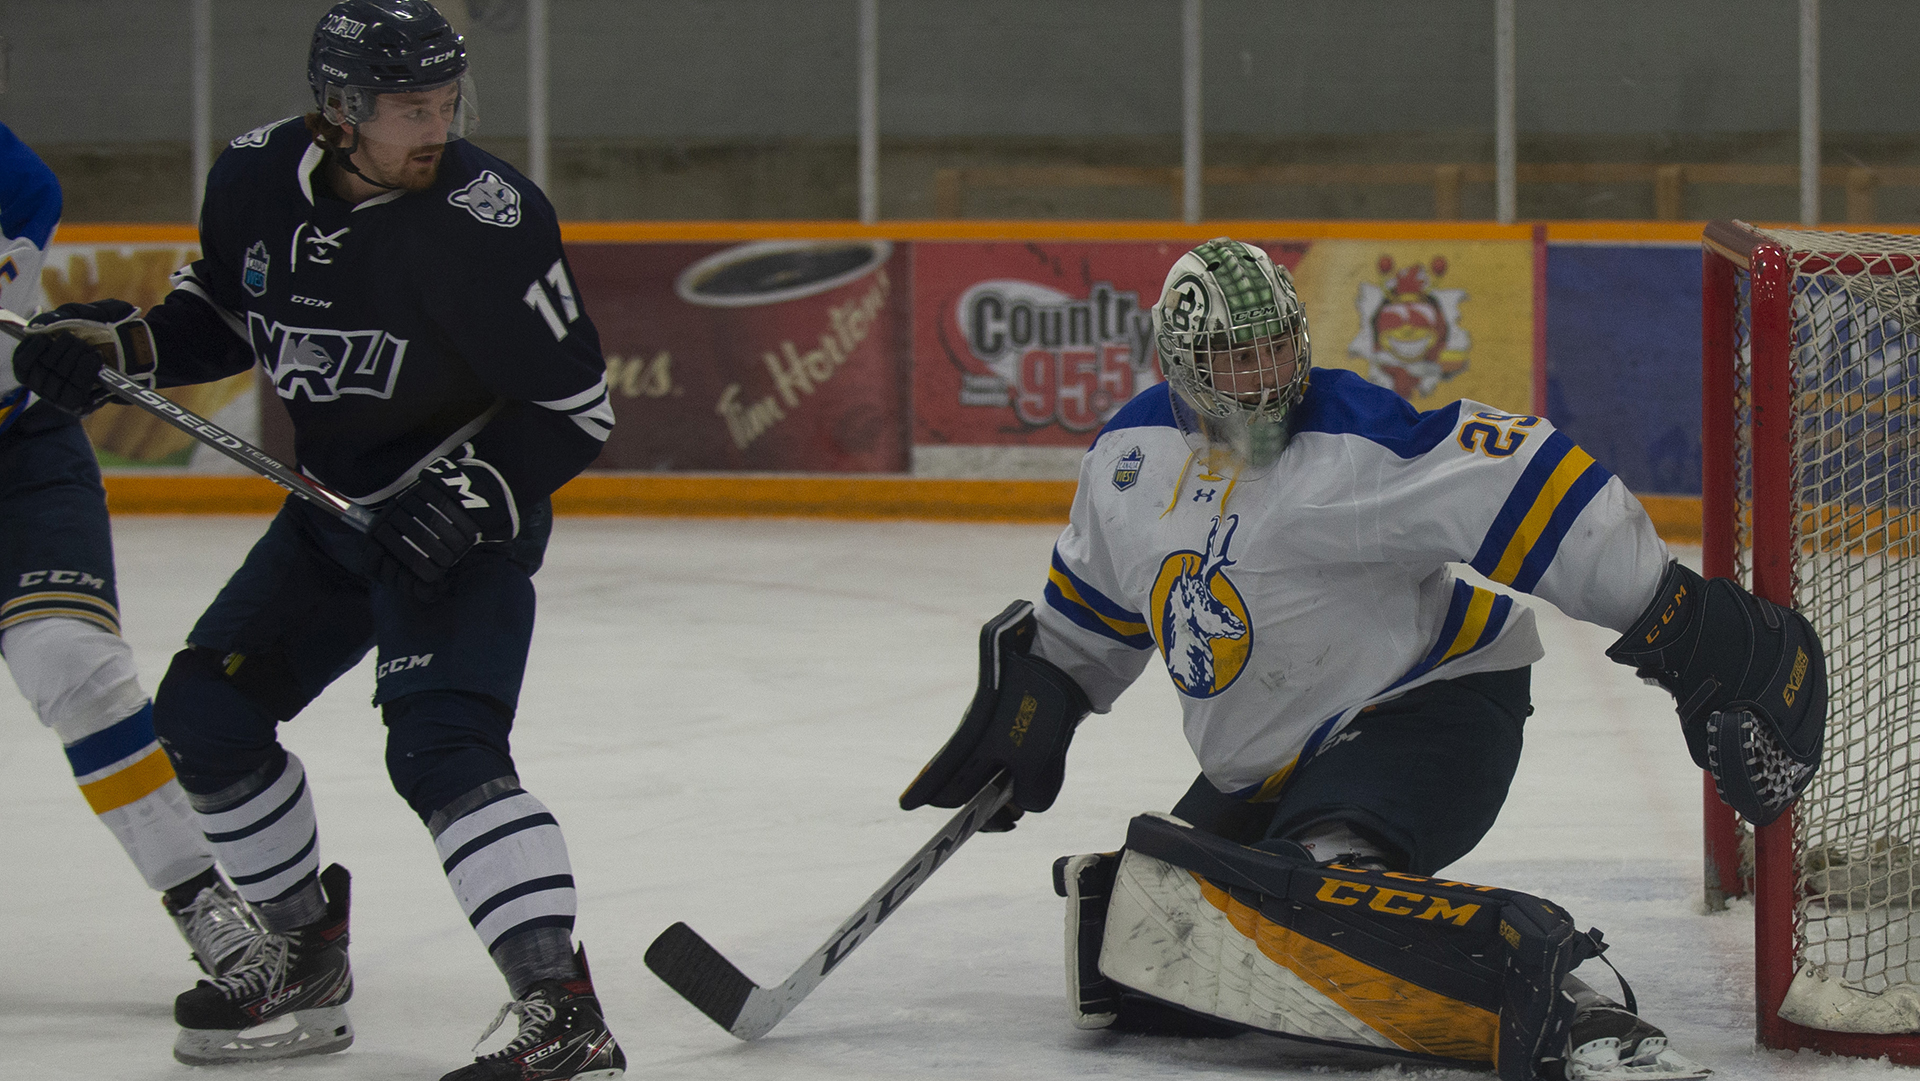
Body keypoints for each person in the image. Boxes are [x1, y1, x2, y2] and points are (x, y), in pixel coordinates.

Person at [900, 238, 1825, 1081]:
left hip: (1431, 707)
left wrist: (1678, 617)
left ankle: (1554, 978)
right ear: (1181, 372)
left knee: (1323, 898)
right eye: (1234, 359)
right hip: (1270, 763)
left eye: (1273, 349)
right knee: (1146, 922)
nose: (1263, 380)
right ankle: (1333, 902)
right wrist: (1044, 695)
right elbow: (1094, 609)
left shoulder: (1347, 443)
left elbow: (1521, 476)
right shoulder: (1129, 460)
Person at [11, 3, 624, 1077]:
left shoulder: (491, 219)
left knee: (441, 749)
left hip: (459, 527)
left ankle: (559, 1004)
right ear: (338, 111)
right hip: (334, 511)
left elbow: (579, 408)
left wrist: (477, 492)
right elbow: (221, 313)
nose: (434, 127)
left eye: (446, 102)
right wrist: (121, 344)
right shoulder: (252, 175)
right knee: (205, 714)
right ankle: (302, 950)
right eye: (407, 107)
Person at [0, 122, 266, 982]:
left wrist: (86, 335)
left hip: (20, 451)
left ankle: (199, 896)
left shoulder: (19, 179)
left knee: (75, 664)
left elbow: (27, 324)